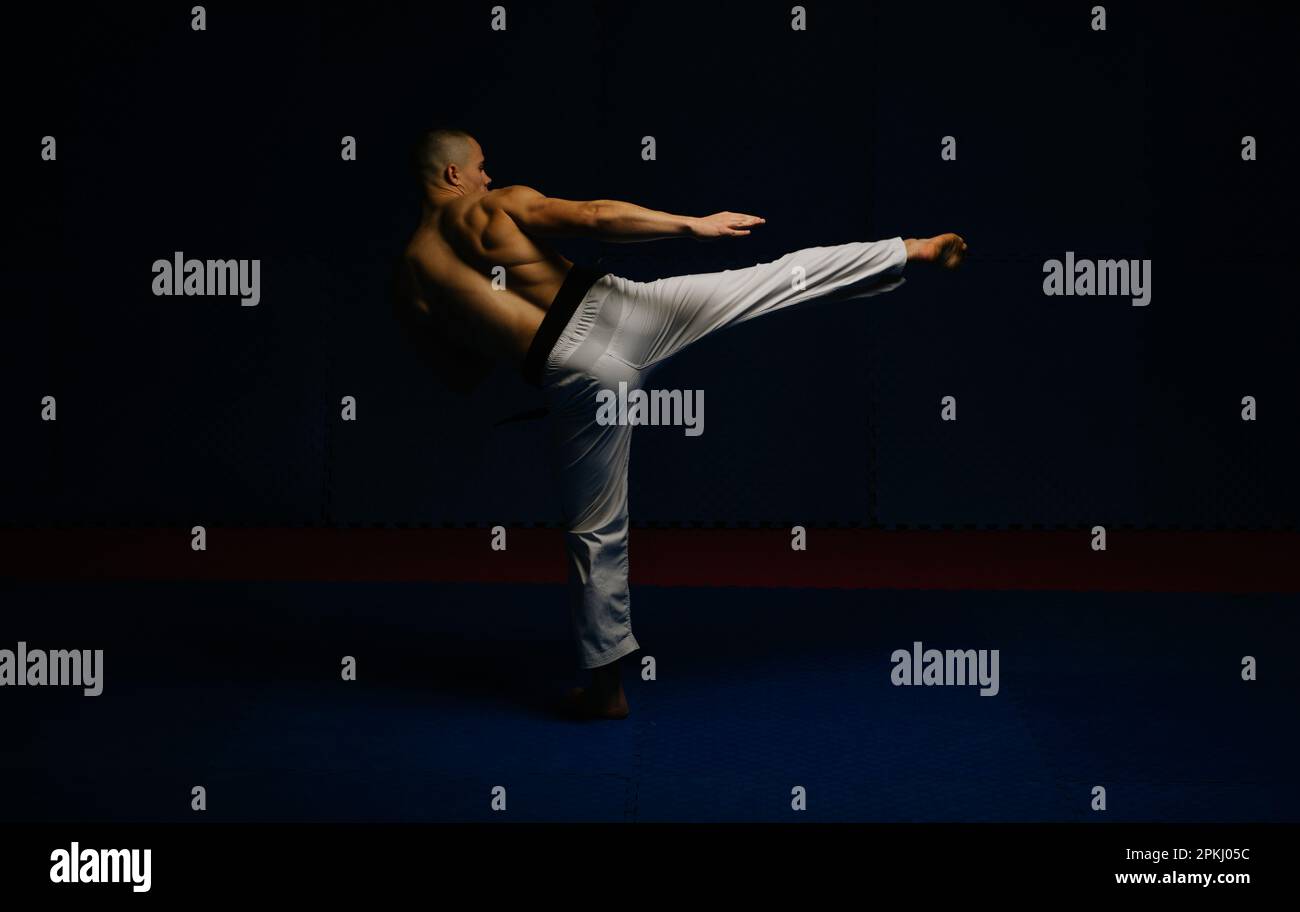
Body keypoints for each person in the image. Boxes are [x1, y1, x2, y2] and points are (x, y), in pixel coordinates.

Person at [393, 128, 967, 720]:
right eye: (481, 167)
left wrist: (488, 319)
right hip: (622, 311)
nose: (488, 176)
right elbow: (592, 216)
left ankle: (606, 692)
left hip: (571, 372)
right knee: (770, 281)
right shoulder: (490, 206)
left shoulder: (411, 278)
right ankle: (909, 249)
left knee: (595, 532)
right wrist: (690, 224)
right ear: (453, 175)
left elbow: (458, 376)